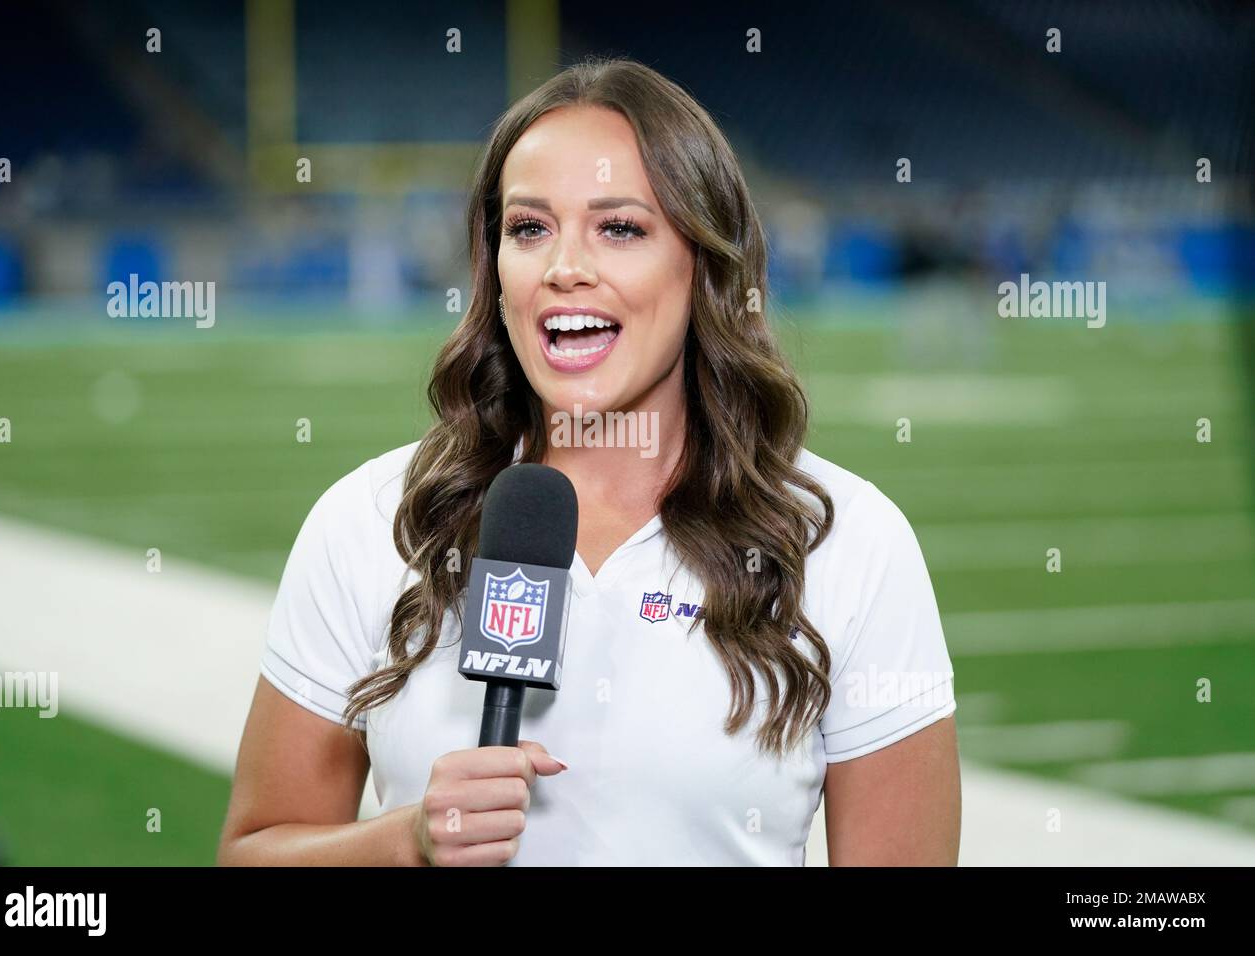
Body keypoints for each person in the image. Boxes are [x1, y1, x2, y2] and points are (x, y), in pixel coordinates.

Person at [218, 57, 960, 867]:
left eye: (620, 228)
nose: (565, 267)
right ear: (493, 269)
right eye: (530, 228)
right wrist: (409, 842)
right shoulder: (373, 520)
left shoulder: (846, 541)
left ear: (704, 265)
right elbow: (254, 852)